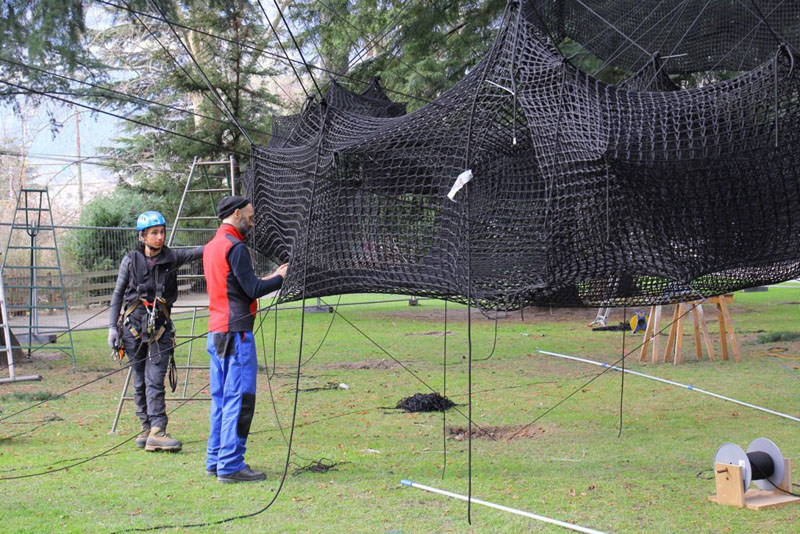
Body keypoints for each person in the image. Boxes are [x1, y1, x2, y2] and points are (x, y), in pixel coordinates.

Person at [203, 195, 288, 483]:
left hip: (215, 333)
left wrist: (267, 277)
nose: (252, 223)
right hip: (236, 335)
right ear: (237, 213)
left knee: (221, 400)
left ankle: (215, 460)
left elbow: (236, 285)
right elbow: (251, 289)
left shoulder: (213, 245)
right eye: (250, 217)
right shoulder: (236, 247)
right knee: (240, 400)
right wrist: (279, 277)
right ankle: (230, 465)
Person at [107, 211, 204, 452]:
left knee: (154, 378)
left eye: (161, 232)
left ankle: (158, 430)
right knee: (139, 378)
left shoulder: (172, 257)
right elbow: (118, 294)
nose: (160, 237)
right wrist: (112, 327)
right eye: (154, 233)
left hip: (160, 328)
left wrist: (227, 238)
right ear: (143, 236)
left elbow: (201, 251)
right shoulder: (130, 260)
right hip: (132, 329)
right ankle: (146, 427)